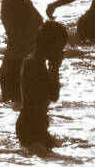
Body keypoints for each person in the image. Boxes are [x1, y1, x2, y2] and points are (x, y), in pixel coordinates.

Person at [16, 21, 67, 150]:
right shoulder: (36, 64)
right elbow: (53, 96)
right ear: (50, 44)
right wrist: (55, 68)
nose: (61, 51)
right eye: (60, 47)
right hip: (32, 124)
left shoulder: (33, 60)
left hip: (31, 123)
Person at [0, 0, 42, 103]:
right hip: (19, 67)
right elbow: (25, 38)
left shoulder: (12, 1)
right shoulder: (20, 5)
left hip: (11, 64)